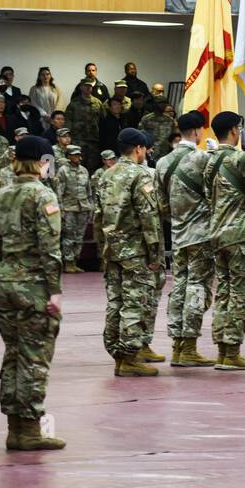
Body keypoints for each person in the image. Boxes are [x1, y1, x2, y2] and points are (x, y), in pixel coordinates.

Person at [0, 135, 66, 450]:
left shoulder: (0, 195)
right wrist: (54, 291)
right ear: (42, 162)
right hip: (34, 288)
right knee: (34, 359)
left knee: (14, 355)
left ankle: (14, 427)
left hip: (4, 286)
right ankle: (29, 430)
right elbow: (50, 247)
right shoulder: (43, 196)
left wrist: (1, 277)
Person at [96, 128, 164, 376]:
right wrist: (155, 254)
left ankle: (117, 352)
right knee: (136, 301)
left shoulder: (106, 175)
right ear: (138, 149)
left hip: (112, 248)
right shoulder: (140, 176)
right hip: (136, 251)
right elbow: (149, 217)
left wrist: (103, 246)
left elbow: (98, 216)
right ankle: (129, 357)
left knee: (116, 301)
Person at [202, 111, 245, 370]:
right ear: (235, 131)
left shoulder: (208, 161)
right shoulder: (241, 160)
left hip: (217, 234)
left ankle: (223, 349)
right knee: (241, 295)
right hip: (240, 237)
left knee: (224, 293)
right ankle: (233, 351)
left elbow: (207, 194)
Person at [156, 110, 215, 366]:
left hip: (178, 233)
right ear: (198, 130)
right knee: (197, 288)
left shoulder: (162, 162)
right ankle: (189, 345)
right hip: (201, 233)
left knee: (179, 285)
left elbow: (161, 203)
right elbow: (214, 195)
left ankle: (177, 344)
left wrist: (179, 220)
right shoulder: (203, 159)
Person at [56, 145, 92, 273]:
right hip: (69, 207)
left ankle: (76, 260)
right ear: (68, 156)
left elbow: (89, 190)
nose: (77, 157)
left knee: (79, 236)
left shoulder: (84, 170)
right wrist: (60, 208)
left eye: (78, 154)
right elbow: (59, 191)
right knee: (68, 235)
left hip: (83, 207)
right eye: (74, 155)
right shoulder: (63, 171)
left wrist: (90, 206)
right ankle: (68, 262)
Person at [67, 80, 103, 169]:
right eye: (85, 86)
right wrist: (68, 138)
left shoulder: (98, 103)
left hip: (94, 141)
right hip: (78, 140)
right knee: (77, 165)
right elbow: (68, 121)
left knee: (93, 166)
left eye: (90, 86)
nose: (88, 88)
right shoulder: (74, 103)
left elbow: (103, 121)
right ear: (81, 87)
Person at [139, 96, 176, 163]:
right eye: (160, 103)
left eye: (165, 103)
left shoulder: (170, 121)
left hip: (164, 155)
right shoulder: (146, 119)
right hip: (149, 154)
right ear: (155, 104)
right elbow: (140, 136)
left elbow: (173, 139)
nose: (163, 105)